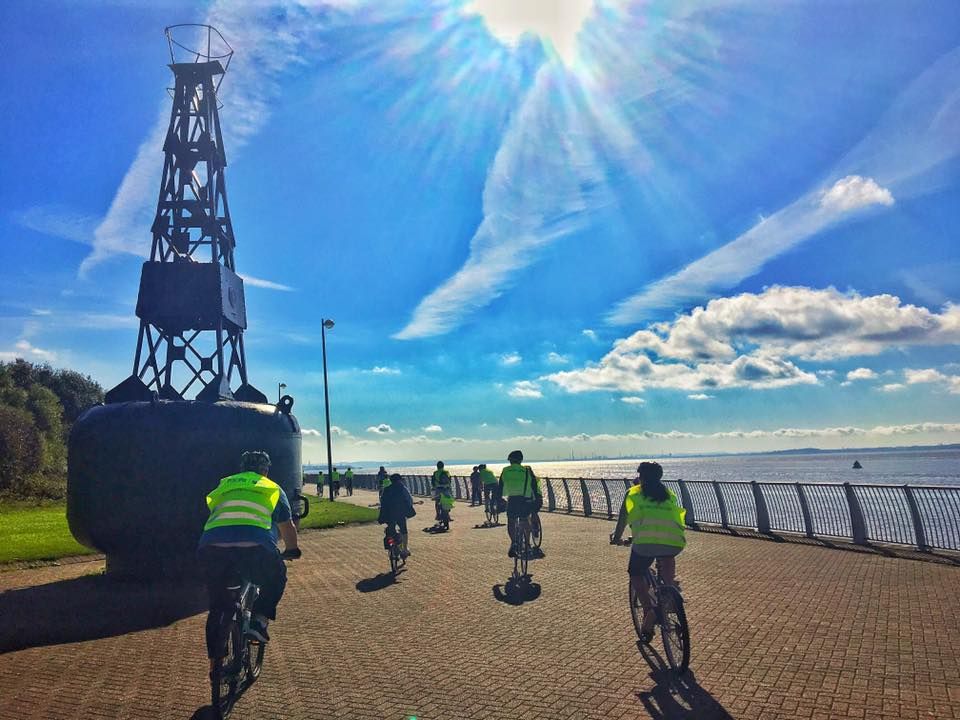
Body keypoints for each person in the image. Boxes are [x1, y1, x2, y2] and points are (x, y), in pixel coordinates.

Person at [197, 450, 301, 672]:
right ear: (265, 470)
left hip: (211, 547)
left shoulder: (224, 485)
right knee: (277, 576)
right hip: (255, 547)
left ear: (242, 469)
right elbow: (287, 526)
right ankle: (259, 621)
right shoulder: (270, 487)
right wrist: (292, 549)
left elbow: (213, 511)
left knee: (218, 604)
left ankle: (216, 665)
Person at [609, 461, 686, 643]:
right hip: (674, 543)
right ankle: (670, 593)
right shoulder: (669, 494)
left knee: (635, 573)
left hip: (644, 545)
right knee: (667, 561)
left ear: (641, 477)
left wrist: (616, 538)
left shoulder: (634, 493)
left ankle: (649, 611)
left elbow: (622, 521)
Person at [498, 450, 542, 557]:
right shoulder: (526, 471)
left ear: (510, 461)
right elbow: (534, 486)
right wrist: (536, 500)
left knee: (511, 521)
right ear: (521, 460)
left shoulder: (505, 470)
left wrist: (499, 499)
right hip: (524, 499)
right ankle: (527, 544)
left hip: (512, 499)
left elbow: (500, 486)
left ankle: (513, 542)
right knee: (525, 519)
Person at [378, 473, 416, 557]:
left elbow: (382, 501)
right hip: (400, 513)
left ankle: (392, 544)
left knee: (391, 528)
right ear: (399, 480)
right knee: (404, 530)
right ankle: (404, 549)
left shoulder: (386, 489)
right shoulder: (402, 488)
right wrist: (409, 508)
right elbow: (409, 499)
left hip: (388, 514)